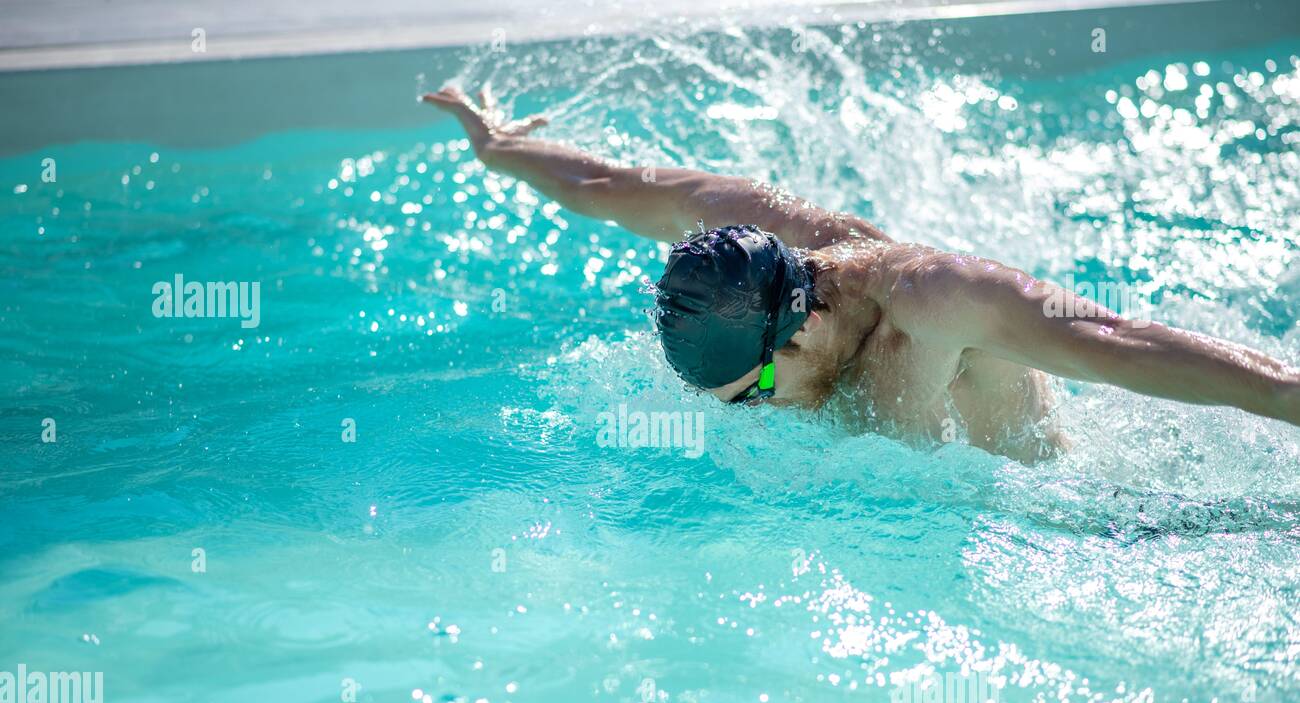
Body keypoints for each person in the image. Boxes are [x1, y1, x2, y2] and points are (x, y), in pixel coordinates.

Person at [423, 85, 1300, 463]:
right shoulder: (760, 238)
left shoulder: (938, 298)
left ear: (798, 330)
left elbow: (1118, 342)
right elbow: (608, 187)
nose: (758, 416)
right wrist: (500, 149)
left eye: (755, 392)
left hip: (1085, 524)